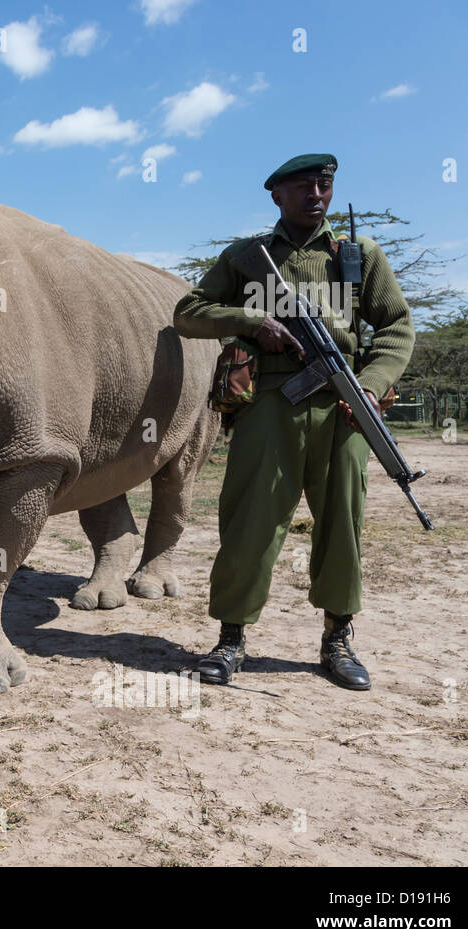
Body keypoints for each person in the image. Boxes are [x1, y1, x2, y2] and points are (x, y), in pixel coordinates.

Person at [173, 154, 415, 691]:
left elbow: (397, 325)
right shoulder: (245, 257)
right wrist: (251, 321)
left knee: (342, 525)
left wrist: (371, 387)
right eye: (303, 185)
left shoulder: (358, 256)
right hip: (267, 404)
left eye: (324, 185)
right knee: (250, 522)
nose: (316, 193)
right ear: (276, 196)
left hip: (343, 407)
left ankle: (337, 639)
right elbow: (188, 312)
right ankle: (231, 639)